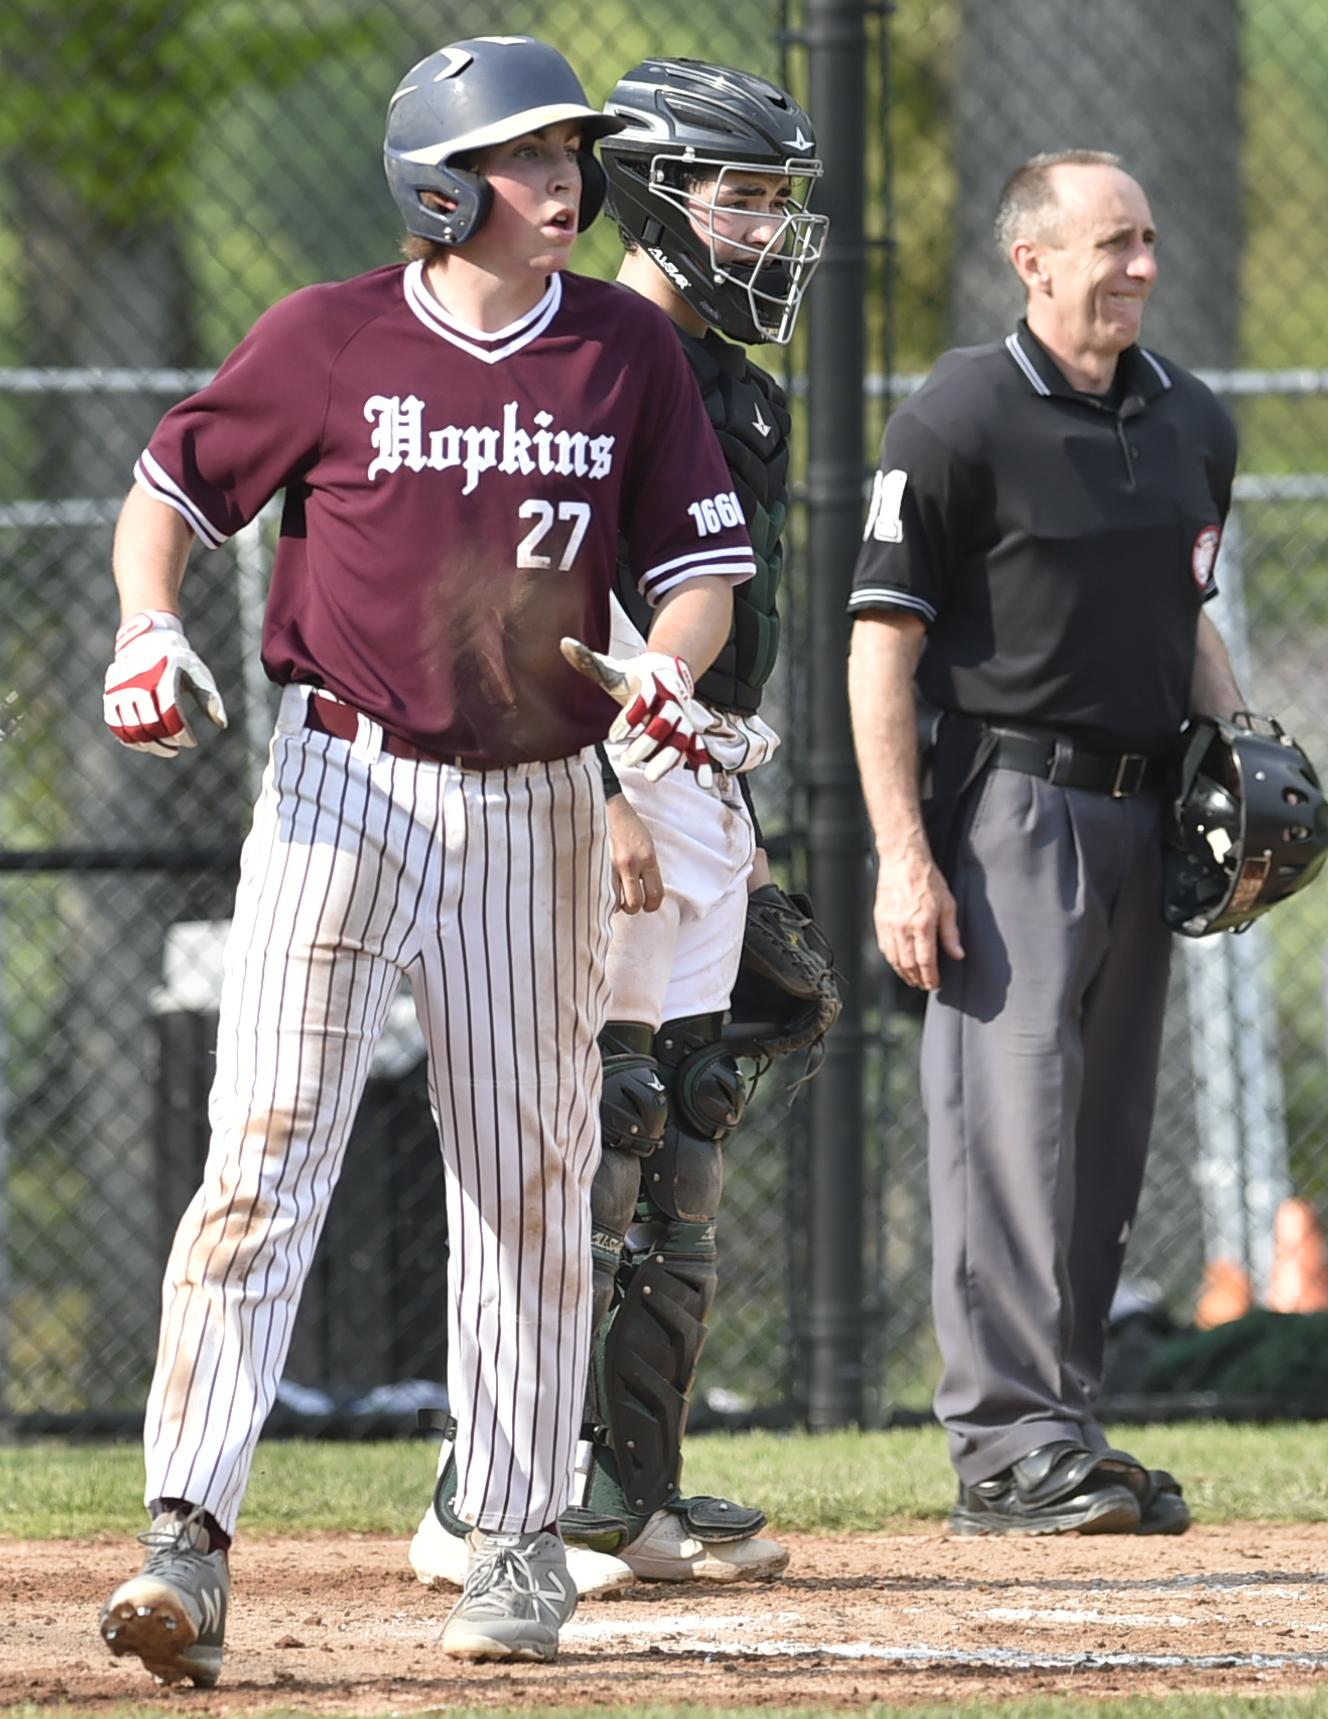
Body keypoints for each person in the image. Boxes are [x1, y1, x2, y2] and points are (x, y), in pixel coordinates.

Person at [96, 35, 757, 1684]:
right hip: (340, 791)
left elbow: (697, 571)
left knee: (529, 1176)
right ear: (440, 185)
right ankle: (189, 1539)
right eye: (532, 157)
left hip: (535, 800)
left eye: (570, 155)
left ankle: (519, 1536)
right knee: (261, 1158)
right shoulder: (327, 338)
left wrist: (669, 663)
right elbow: (167, 489)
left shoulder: (621, 349)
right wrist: (145, 621)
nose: (566, 183)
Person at [407, 57, 833, 1596]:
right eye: (740, 194)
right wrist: (593, 789)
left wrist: (743, 828)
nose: (768, 230)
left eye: (780, 200)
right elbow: (516, 603)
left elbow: (717, 615)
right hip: (591, 761)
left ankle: (626, 1491)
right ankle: (488, 1489)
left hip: (697, 767)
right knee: (604, 1120)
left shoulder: (730, 381)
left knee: (692, 1109)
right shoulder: (586, 357)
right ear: (651, 186)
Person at [847, 150, 1246, 1536]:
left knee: (1105, 1138)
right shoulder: (961, 414)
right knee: (1004, 1131)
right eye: (1113, 241)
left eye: (1148, 240)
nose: (1140, 265)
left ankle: (1065, 1426)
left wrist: (1241, 749)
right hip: (1009, 810)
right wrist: (905, 854)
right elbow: (880, 646)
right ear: (1035, 260)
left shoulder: (1190, 416)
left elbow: (1182, 609)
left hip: (1143, 810)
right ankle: (1004, 1444)